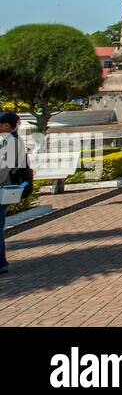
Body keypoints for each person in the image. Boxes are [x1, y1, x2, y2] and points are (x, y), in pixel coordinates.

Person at [1, 110, 31, 275]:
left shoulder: (11, 142)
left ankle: (1, 263)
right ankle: (1, 263)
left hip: (3, 189)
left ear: (6, 126)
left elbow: (3, 170)